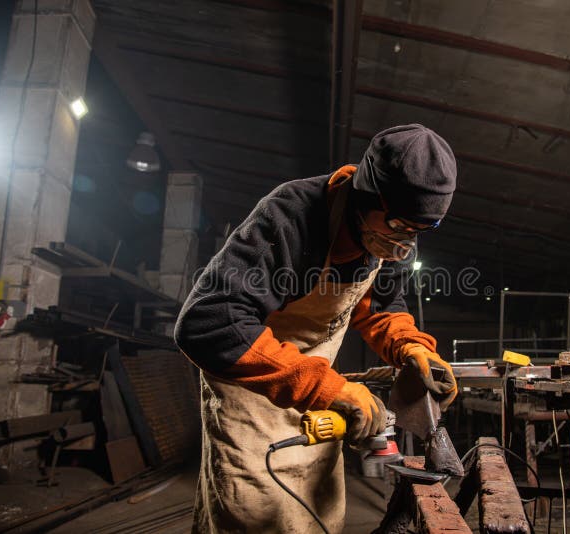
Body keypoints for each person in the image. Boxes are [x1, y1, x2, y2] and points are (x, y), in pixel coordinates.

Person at [175, 124, 458, 534]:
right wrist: (329, 389)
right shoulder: (291, 215)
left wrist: (412, 348)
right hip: (252, 398)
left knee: (316, 518)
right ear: (368, 192)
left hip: (321, 395)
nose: (402, 245)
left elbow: (381, 305)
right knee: (255, 517)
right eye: (398, 226)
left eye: (419, 232)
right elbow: (209, 322)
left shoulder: (388, 233)